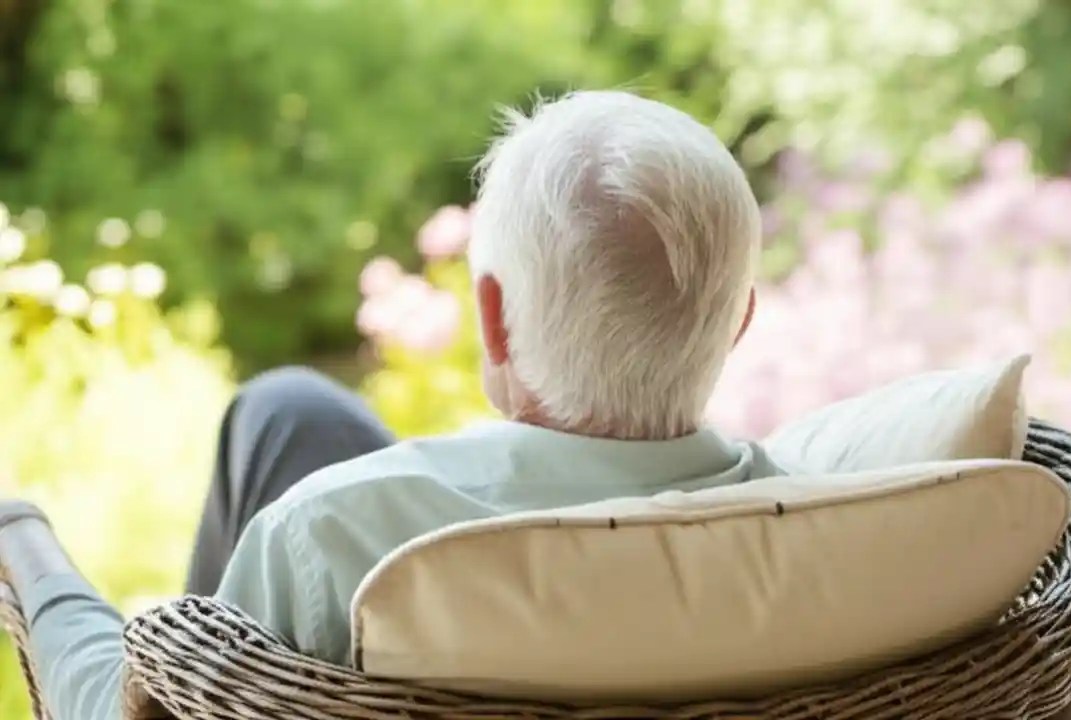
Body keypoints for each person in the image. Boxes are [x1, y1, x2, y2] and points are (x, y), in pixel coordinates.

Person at [0, 90, 785, 719]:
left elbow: (134, 708)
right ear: (738, 322)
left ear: (493, 316)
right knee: (293, 415)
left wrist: (30, 550)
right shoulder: (814, 535)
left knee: (281, 415)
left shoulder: (326, 537)